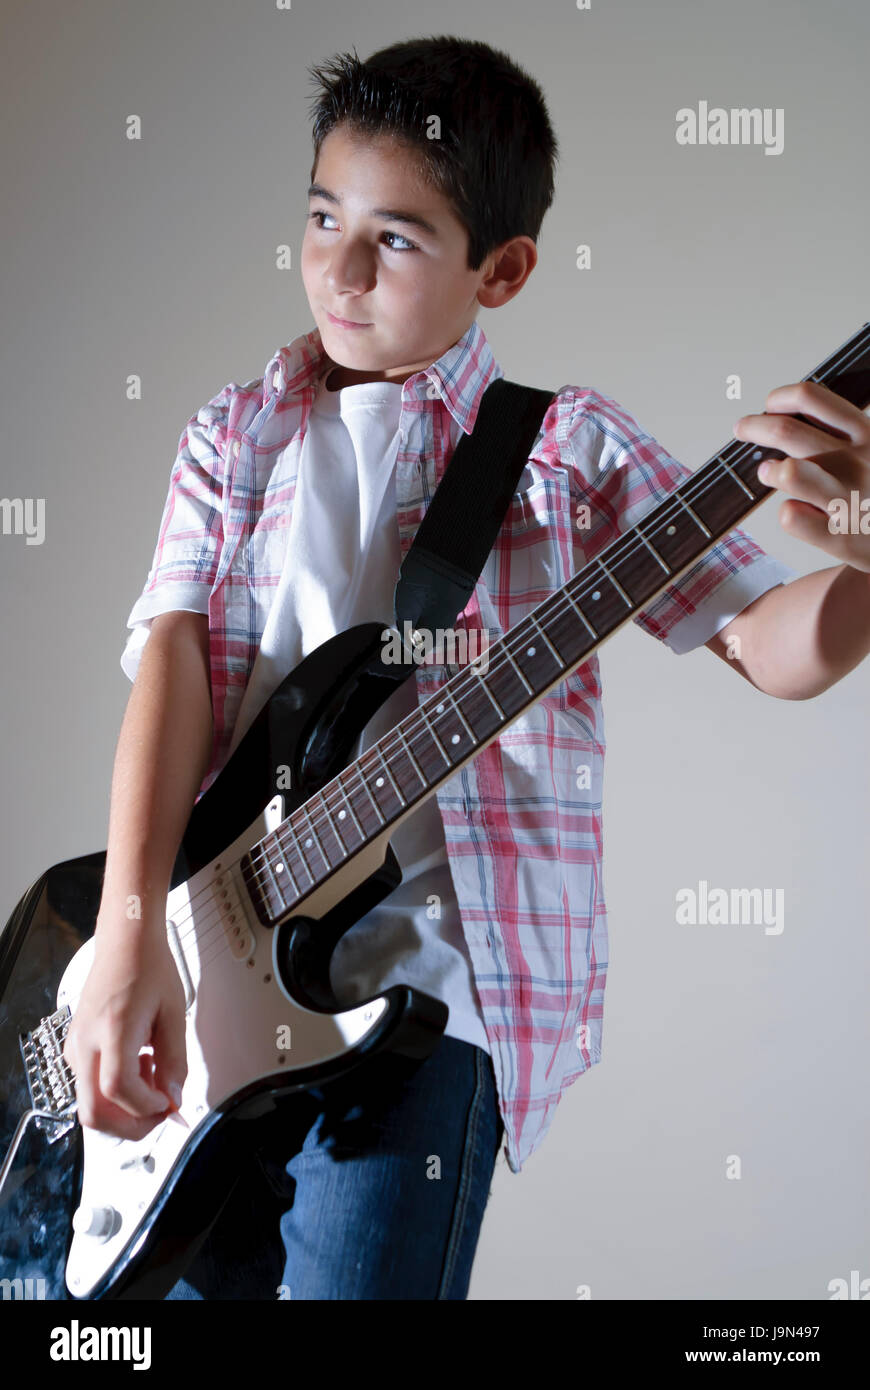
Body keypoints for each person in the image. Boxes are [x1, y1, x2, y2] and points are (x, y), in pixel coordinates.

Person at [62, 36, 870, 1300]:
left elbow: (772, 645)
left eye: (395, 238)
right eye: (323, 216)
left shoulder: (561, 452)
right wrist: (127, 937)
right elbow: (168, 665)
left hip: (425, 1003)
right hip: (206, 964)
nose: (339, 265)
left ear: (502, 269)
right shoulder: (236, 434)